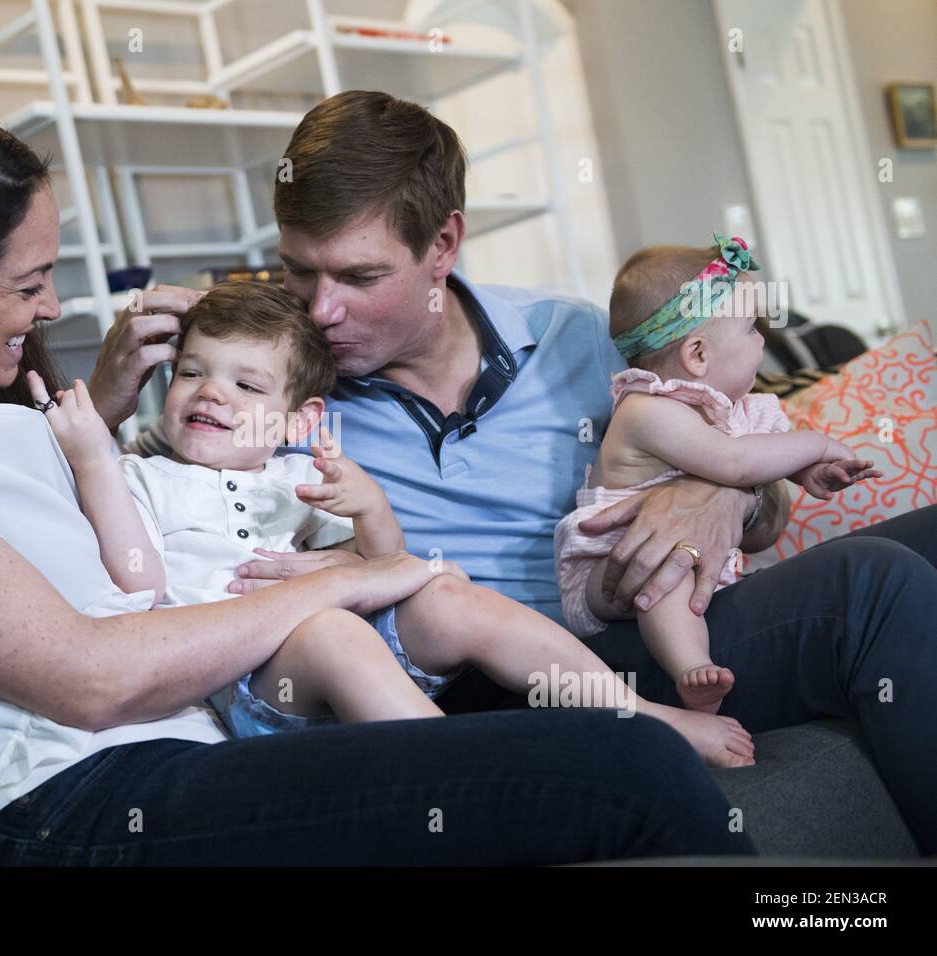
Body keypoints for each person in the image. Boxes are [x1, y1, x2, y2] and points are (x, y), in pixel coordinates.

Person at [0, 109, 750, 867]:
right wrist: (339, 583)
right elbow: (85, 676)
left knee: (607, 750)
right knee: (624, 770)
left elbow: (115, 526)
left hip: (169, 755)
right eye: (28, 283)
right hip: (37, 815)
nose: (48, 307)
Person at [100, 91, 937, 852]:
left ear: (444, 244)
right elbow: (128, 512)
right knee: (875, 579)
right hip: (472, 687)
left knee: (896, 566)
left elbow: (763, 486)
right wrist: (105, 400)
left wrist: (722, 489)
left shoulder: (576, 339)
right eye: (298, 269)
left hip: (649, 631)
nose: (321, 310)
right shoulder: (275, 391)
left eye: (358, 276)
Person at [38, 281, 754, 764]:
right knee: (332, 632)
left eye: (245, 383)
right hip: (245, 686)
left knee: (444, 595)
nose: (212, 394)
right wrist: (95, 461)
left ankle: (643, 716)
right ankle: (468, 784)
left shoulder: (301, 479)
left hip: (353, 653)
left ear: (298, 419)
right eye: (192, 374)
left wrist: (373, 513)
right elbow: (141, 584)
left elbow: (388, 569)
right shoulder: (142, 476)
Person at [554, 235, 882, 713]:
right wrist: (818, 442)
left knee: (689, 568)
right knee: (668, 572)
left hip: (686, 557)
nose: (763, 339)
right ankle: (690, 668)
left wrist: (812, 469)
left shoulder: (741, 409)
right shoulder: (647, 410)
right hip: (608, 568)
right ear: (698, 355)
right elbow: (735, 463)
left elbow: (765, 458)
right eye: (751, 328)